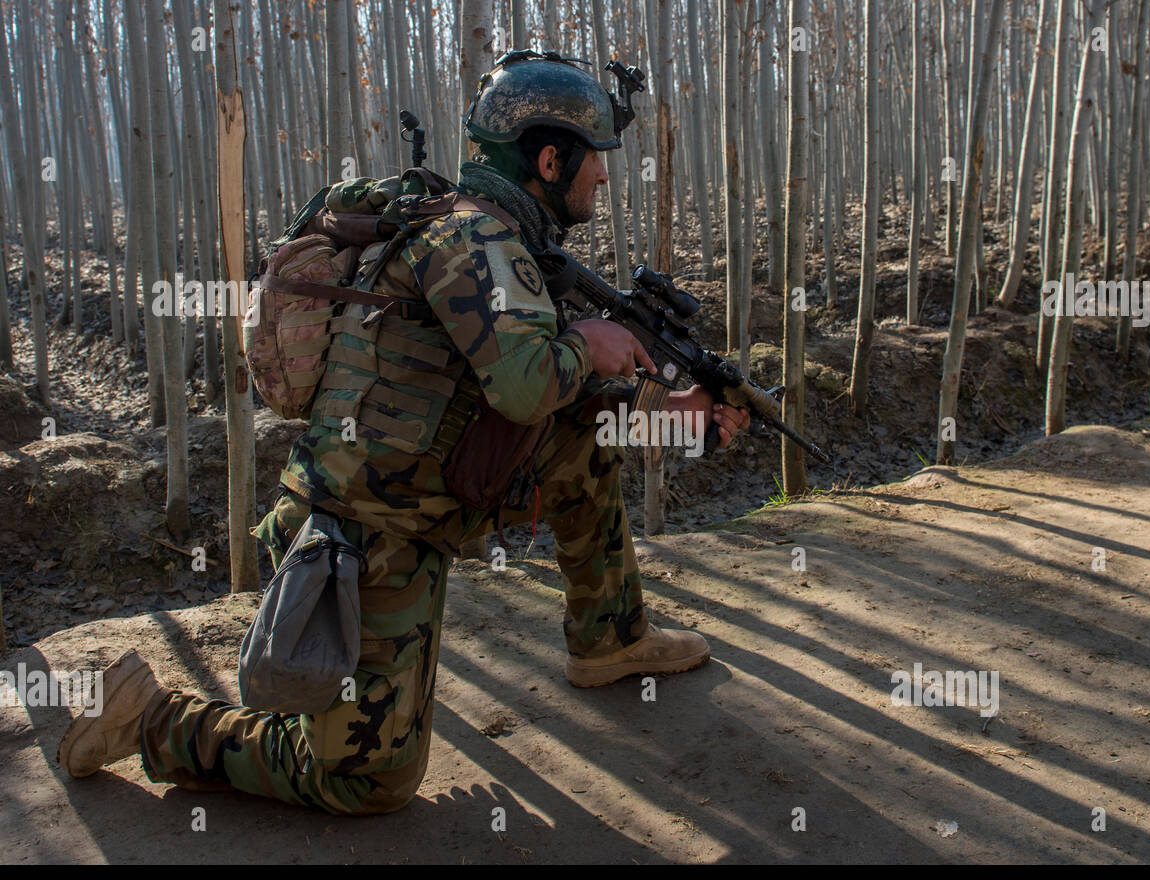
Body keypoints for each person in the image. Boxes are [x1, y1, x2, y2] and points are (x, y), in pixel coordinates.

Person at [57, 51, 750, 815]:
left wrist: (683, 414)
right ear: (549, 159)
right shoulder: (471, 240)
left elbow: (561, 403)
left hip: (427, 488)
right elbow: (526, 385)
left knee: (580, 434)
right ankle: (147, 717)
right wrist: (588, 341)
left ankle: (610, 635)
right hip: (368, 528)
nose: (605, 179)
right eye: (594, 162)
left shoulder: (498, 240)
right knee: (368, 777)